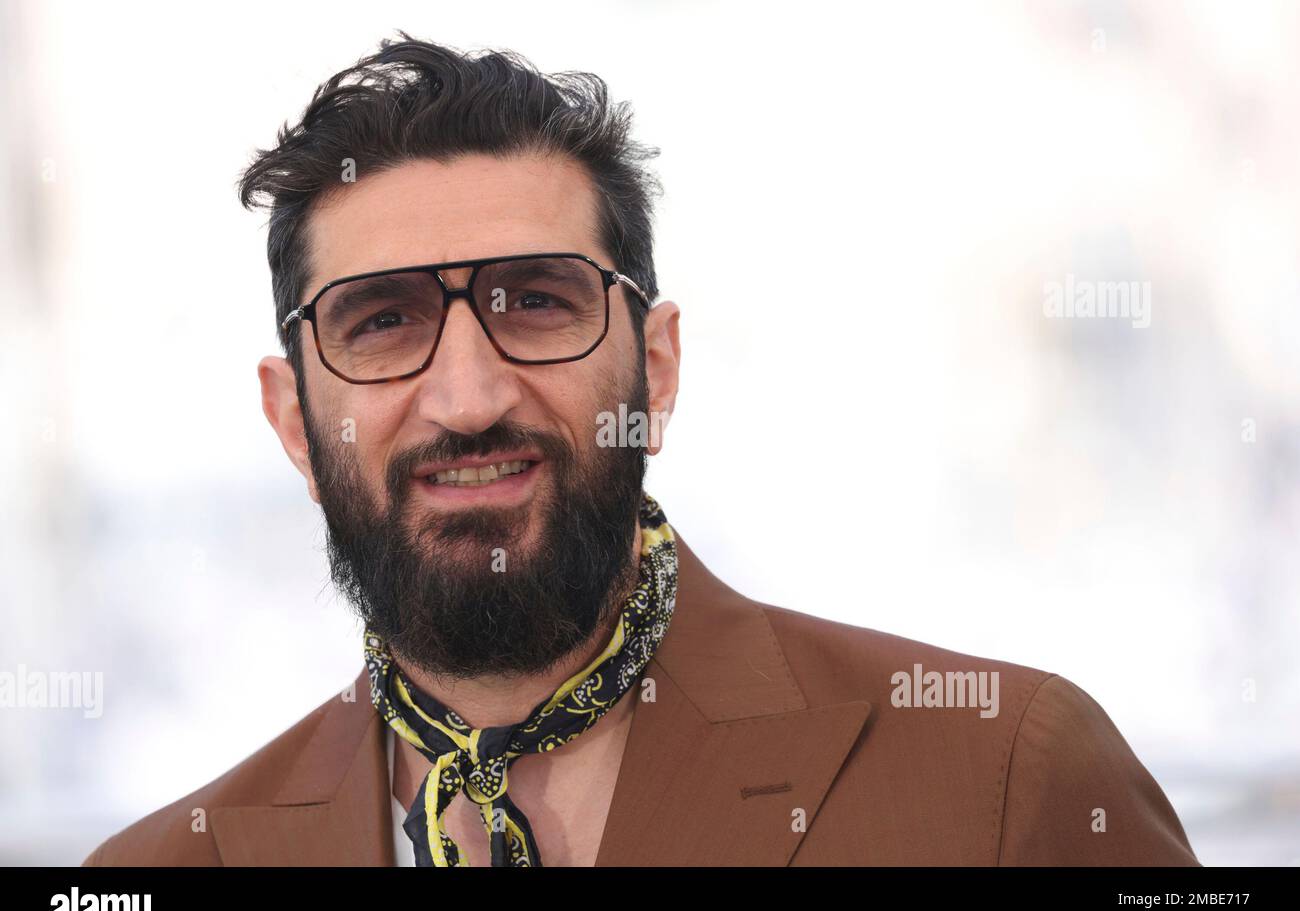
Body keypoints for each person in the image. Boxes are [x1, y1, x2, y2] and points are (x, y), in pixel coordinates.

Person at [82, 34, 1198, 867]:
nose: (467, 397)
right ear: (292, 419)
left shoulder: (1006, 781)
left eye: (538, 304)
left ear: (654, 370)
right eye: (382, 322)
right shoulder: (145, 876)